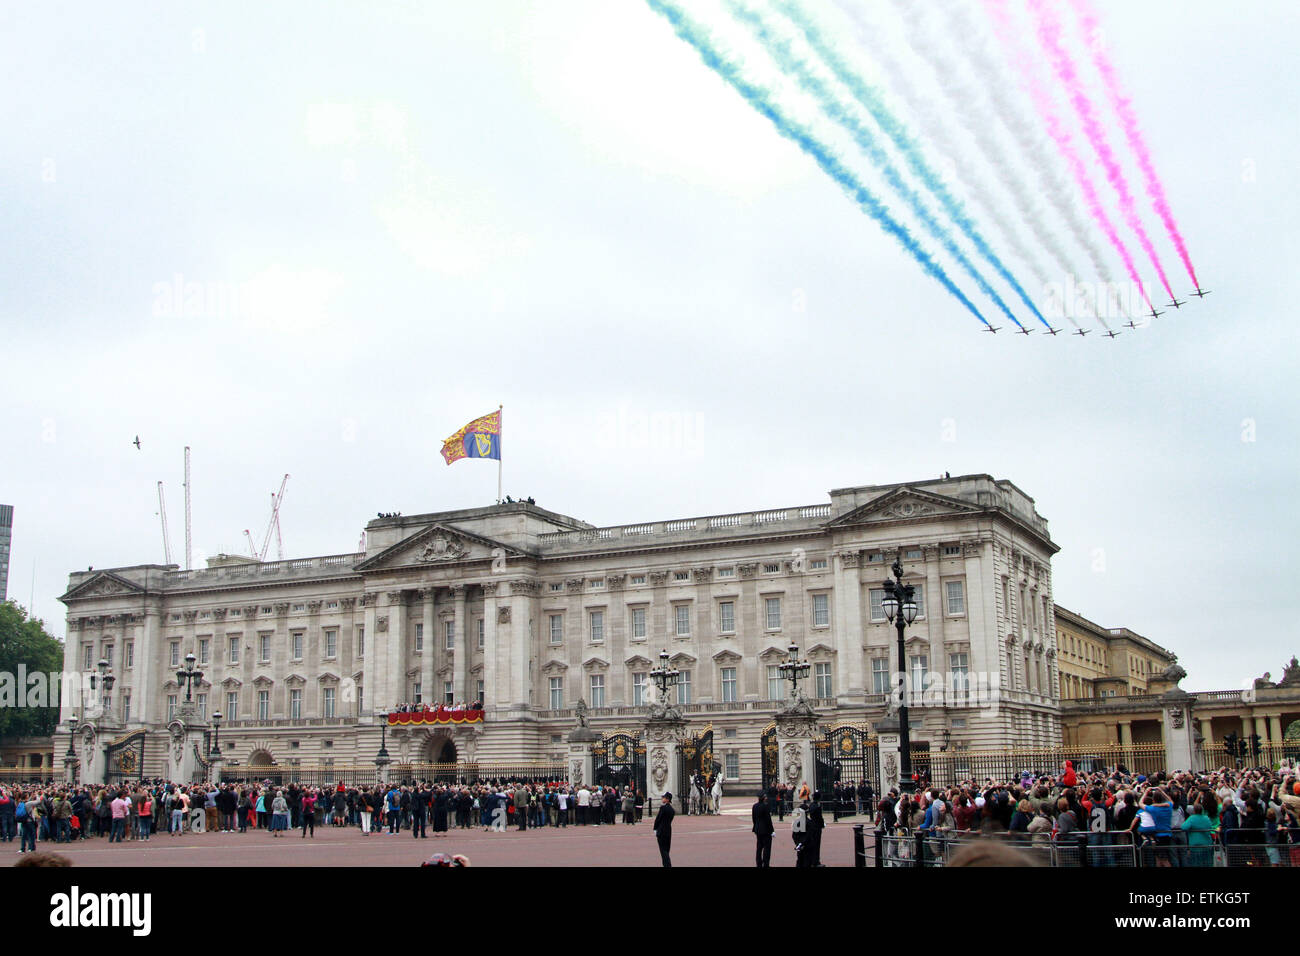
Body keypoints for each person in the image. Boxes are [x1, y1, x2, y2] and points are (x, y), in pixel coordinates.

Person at [752, 789, 774, 867]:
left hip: (758, 829)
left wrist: (755, 827)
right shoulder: (765, 806)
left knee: (759, 848)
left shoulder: (754, 806)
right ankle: (766, 864)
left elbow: (754, 819)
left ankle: (759, 863)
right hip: (766, 831)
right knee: (767, 849)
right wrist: (772, 830)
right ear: (764, 798)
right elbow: (768, 820)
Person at [654, 792, 675, 867]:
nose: (662, 799)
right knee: (667, 849)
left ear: (667, 799)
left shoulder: (663, 808)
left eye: (664, 797)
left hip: (661, 831)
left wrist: (655, 829)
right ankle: (665, 864)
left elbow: (658, 819)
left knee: (663, 851)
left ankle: (667, 865)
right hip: (668, 831)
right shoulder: (672, 810)